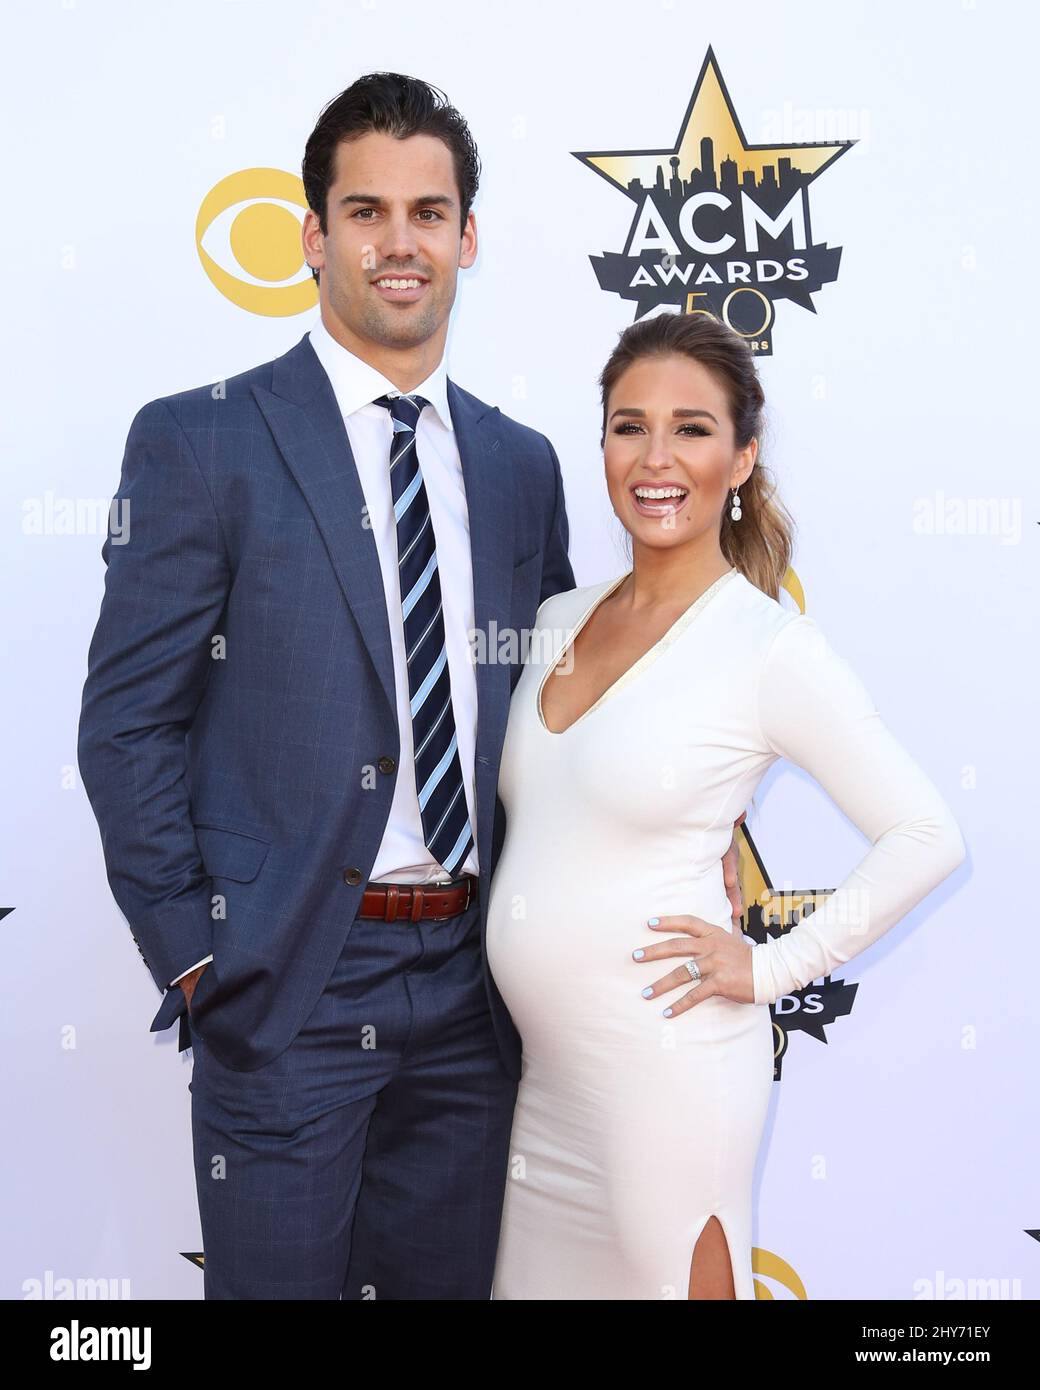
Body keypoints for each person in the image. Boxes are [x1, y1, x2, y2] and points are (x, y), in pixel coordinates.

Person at [74, 70, 746, 1300]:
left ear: (466, 238)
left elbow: (558, 722)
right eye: (367, 211)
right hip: (284, 987)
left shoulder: (516, 464)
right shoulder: (201, 440)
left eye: (427, 213)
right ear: (313, 235)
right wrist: (194, 958)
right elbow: (127, 724)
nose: (399, 243)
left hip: (475, 988)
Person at [485, 311, 967, 1300]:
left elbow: (925, 834)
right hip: (539, 1089)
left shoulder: (765, 648)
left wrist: (770, 966)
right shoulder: (554, 619)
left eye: (691, 429)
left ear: (741, 457)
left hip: (669, 1080)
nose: (655, 457)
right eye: (629, 425)